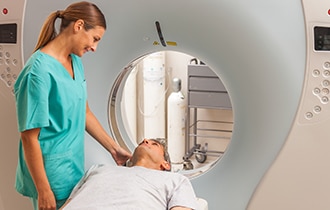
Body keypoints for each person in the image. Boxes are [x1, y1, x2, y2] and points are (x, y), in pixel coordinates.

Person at [14, 2, 131, 210]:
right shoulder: (38, 72)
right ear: (78, 25)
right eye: (95, 39)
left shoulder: (75, 61)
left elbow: (84, 113)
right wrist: (44, 190)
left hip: (73, 171)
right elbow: (29, 137)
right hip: (49, 177)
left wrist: (114, 149)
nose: (94, 48)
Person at [60, 138, 198, 210]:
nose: (145, 140)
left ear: (165, 164)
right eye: (144, 141)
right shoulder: (98, 169)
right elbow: (68, 204)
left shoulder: (176, 180)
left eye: (154, 144)